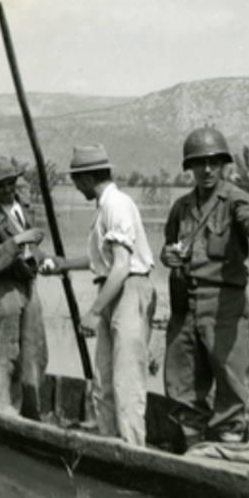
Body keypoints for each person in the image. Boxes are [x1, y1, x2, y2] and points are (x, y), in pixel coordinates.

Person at [160, 127, 249, 448]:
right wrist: (168, 256)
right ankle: (191, 452)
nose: (208, 170)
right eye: (200, 163)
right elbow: (169, 246)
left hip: (224, 307)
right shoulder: (181, 208)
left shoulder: (235, 200)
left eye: (214, 162)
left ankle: (228, 450)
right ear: (190, 168)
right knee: (183, 382)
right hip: (185, 305)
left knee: (229, 385)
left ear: (224, 164)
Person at [41, 144, 157, 446]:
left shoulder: (116, 205)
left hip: (129, 291)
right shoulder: (105, 207)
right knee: (103, 380)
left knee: (126, 380)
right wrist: (66, 264)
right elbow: (103, 262)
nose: (76, 187)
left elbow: (120, 268)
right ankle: (109, 443)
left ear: (88, 178)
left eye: (77, 181)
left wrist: (93, 312)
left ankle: (134, 451)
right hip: (114, 291)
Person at [0, 157, 49, 417]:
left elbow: (33, 249)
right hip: (5, 292)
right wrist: (17, 241)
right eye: (0, 186)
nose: (7, 189)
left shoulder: (23, 208)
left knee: (34, 350)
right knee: (6, 355)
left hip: (29, 287)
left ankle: (32, 410)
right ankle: (4, 412)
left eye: (10, 183)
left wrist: (43, 259)